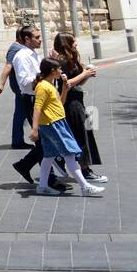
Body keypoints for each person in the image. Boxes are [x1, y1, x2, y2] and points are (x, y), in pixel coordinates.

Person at [32, 58, 105, 197]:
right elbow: (37, 108)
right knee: (70, 154)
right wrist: (34, 128)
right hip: (53, 124)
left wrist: (65, 89)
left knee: (49, 156)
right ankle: (85, 186)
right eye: (59, 69)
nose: (61, 71)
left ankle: (42, 186)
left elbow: (59, 102)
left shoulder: (50, 84)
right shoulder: (43, 87)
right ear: (52, 71)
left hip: (55, 122)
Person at [10, 25, 70, 192]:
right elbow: (24, 81)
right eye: (36, 37)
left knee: (46, 139)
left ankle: (26, 165)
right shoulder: (22, 56)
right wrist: (44, 76)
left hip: (41, 98)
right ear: (27, 39)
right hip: (31, 99)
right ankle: (48, 178)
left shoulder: (33, 54)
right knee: (45, 140)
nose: (40, 39)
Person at [51, 33, 106, 182]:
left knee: (82, 134)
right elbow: (67, 83)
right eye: (73, 41)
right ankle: (84, 170)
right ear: (66, 44)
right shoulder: (62, 61)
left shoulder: (70, 59)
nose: (76, 44)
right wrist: (85, 74)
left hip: (77, 100)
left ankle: (61, 159)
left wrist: (86, 75)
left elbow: (78, 83)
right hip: (71, 103)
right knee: (81, 135)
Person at [0, 30, 30, 148]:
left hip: (21, 87)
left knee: (22, 112)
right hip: (20, 87)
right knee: (24, 112)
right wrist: (1, 83)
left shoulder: (20, 47)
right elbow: (8, 66)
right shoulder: (15, 48)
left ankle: (18, 140)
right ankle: (19, 140)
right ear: (21, 37)